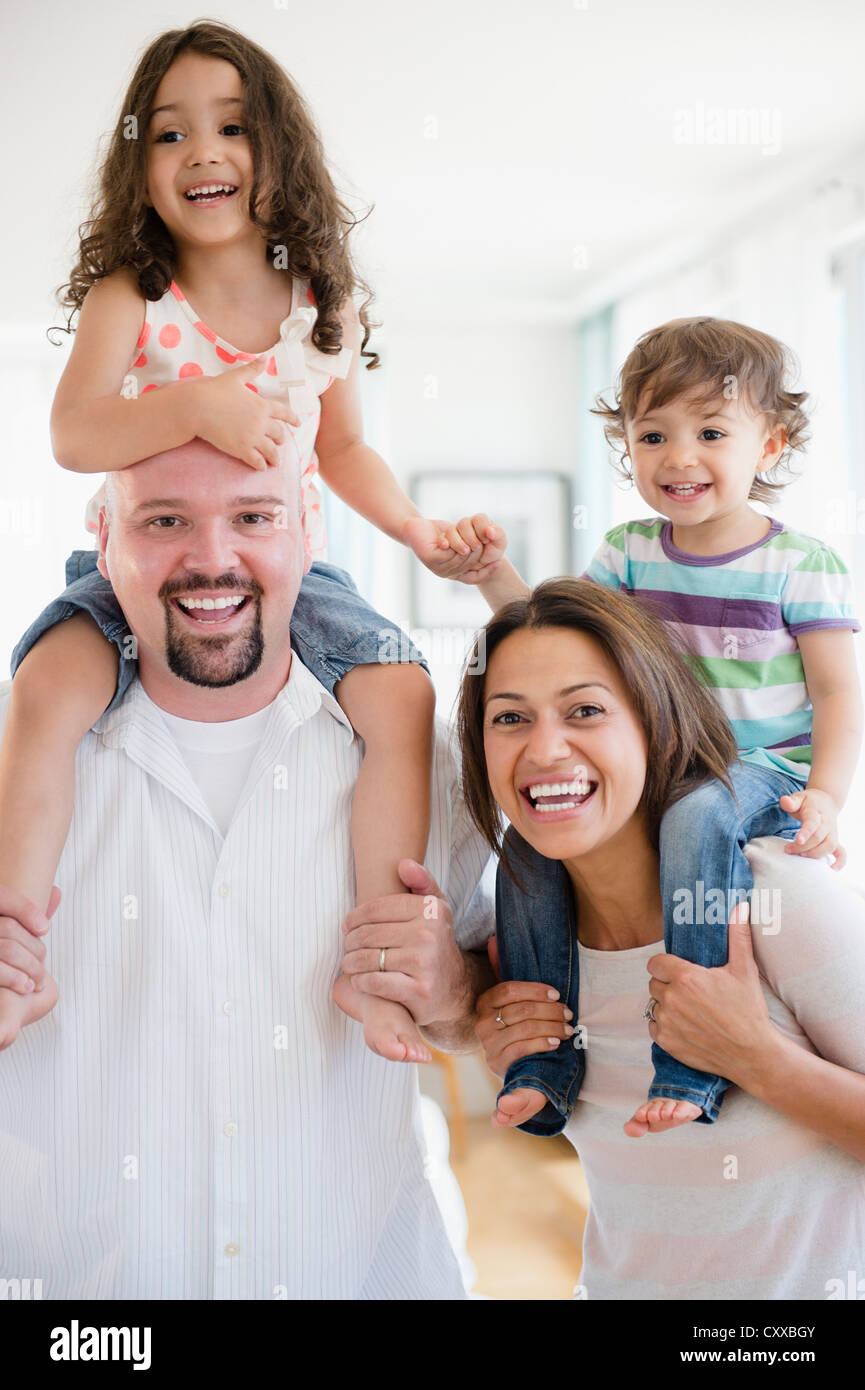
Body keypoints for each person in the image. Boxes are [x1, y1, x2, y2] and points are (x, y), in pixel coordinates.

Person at [0, 19, 504, 1063]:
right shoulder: (130, 298)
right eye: (170, 135)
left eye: (232, 128)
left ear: (281, 153)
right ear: (137, 167)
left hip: (294, 568)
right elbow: (74, 432)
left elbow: (345, 447)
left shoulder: (321, 307)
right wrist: (202, 407)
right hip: (131, 570)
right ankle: (13, 953)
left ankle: (377, 969)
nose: (204, 155)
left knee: (398, 690)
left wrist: (414, 532)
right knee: (47, 688)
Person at [0, 436, 495, 1299]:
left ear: (306, 532)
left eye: (253, 518)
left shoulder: (438, 766)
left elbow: (499, 1012)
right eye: (164, 520)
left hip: (362, 1269)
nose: (211, 559)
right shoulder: (22, 768)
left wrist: (450, 989)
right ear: (101, 537)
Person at [466, 317, 861, 1134]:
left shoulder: (801, 565)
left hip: (758, 768)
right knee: (525, 849)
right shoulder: (626, 554)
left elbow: (837, 693)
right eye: (653, 435)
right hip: (670, 760)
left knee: (698, 815)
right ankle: (544, 1059)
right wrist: (490, 576)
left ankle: (692, 1057)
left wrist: (825, 793)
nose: (678, 457)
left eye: (710, 432)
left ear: (771, 445)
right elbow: (553, 638)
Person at [460, 578, 865, 1300]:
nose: (544, 749)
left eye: (584, 710)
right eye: (508, 718)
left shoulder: (776, 901)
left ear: (656, 723)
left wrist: (757, 1060)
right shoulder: (530, 938)